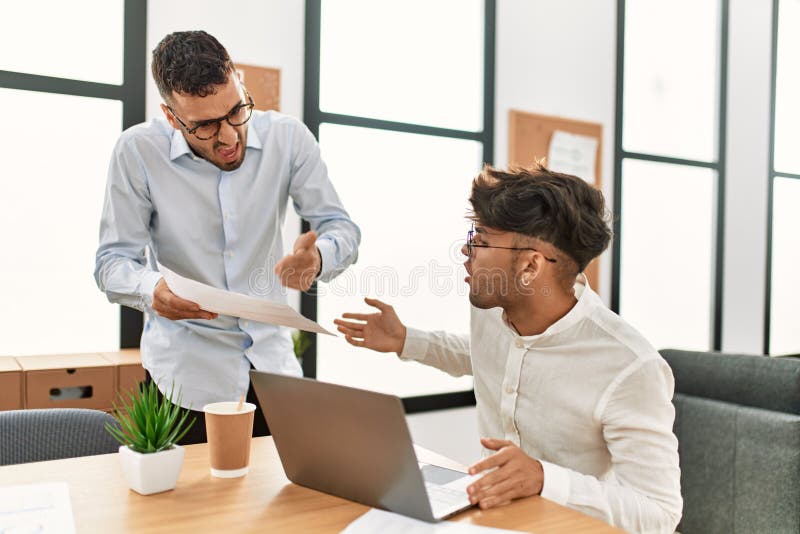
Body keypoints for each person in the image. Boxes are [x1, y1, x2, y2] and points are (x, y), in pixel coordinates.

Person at [334, 164, 681, 533]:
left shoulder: (630, 367)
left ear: (530, 265)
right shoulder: (494, 308)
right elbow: (485, 355)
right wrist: (407, 340)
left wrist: (545, 478)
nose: (466, 250)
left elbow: (659, 513)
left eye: (481, 240)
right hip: (494, 520)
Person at [95, 31, 360, 444]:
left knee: (292, 507)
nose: (229, 136)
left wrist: (320, 258)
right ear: (172, 116)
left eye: (236, 110)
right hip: (186, 382)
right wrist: (152, 290)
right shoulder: (137, 152)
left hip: (275, 374)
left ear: (238, 80)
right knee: (191, 509)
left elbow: (341, 227)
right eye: (204, 126)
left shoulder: (288, 138)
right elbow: (112, 262)